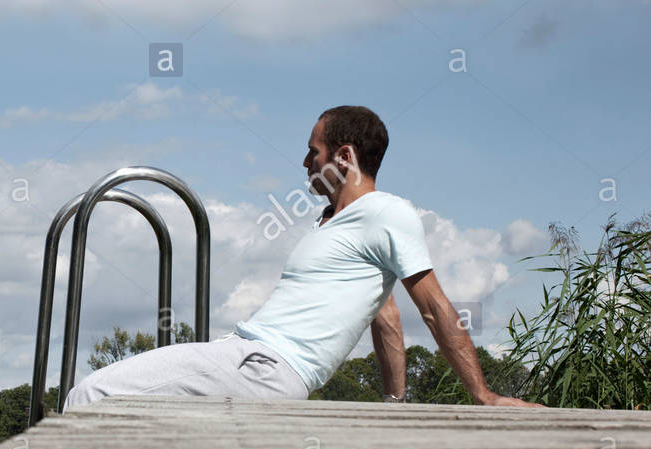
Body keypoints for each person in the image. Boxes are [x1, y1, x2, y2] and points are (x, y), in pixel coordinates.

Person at [63, 105, 542, 410]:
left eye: (314, 151)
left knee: (90, 394)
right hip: (250, 357)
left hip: (266, 365)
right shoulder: (332, 223)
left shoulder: (387, 213)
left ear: (345, 156)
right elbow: (386, 316)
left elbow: (435, 307)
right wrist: (395, 403)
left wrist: (483, 395)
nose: (305, 162)